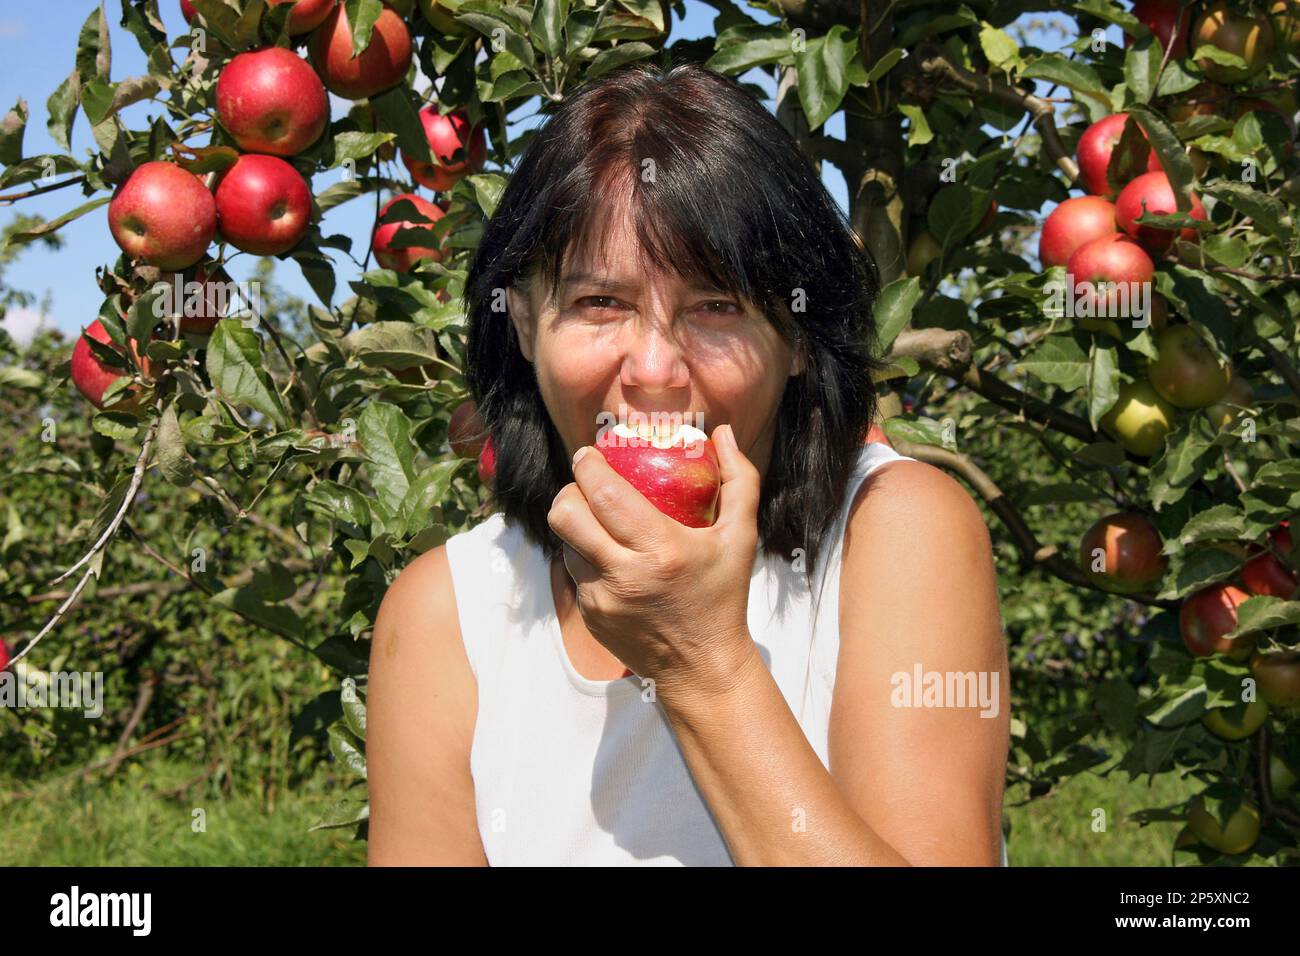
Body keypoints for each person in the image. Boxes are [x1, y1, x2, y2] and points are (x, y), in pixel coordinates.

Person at [367, 62, 1009, 866]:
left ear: (801, 337)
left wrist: (704, 666)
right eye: (601, 303)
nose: (655, 370)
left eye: (717, 306)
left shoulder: (894, 534)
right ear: (526, 324)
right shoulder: (448, 613)